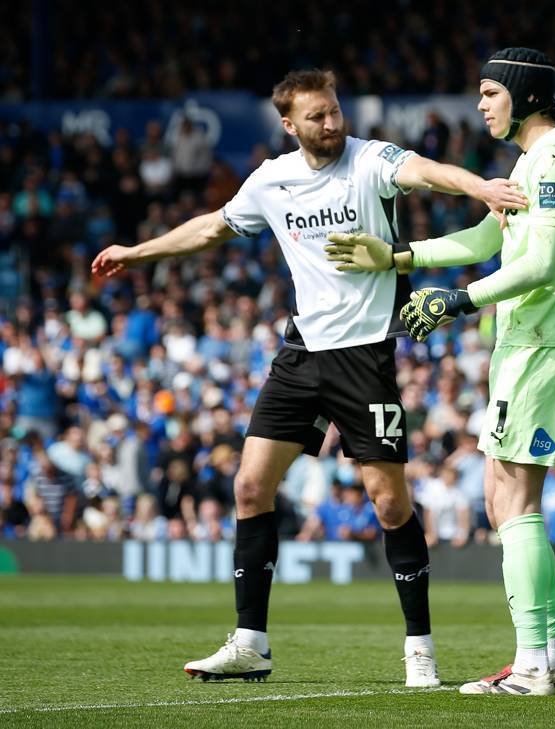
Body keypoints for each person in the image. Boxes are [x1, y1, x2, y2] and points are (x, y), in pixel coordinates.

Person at [91, 68, 527, 687]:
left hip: (363, 357)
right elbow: (213, 226)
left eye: (335, 111)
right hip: (300, 356)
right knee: (249, 488)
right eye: (317, 116)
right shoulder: (272, 180)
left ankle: (419, 650)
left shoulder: (370, 160)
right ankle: (250, 644)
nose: (331, 123)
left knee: (388, 503)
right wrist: (138, 252)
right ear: (290, 124)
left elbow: (429, 171)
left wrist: (481, 186)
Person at [326, 47, 555, 696]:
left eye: (489, 93)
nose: (479, 104)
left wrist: (458, 299)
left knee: (510, 497)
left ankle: (533, 663)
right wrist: (393, 256)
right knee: (503, 496)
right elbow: (482, 241)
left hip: (541, 343)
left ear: (525, 95)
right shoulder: (530, 162)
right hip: (524, 345)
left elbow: (540, 266)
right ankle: (553, 651)